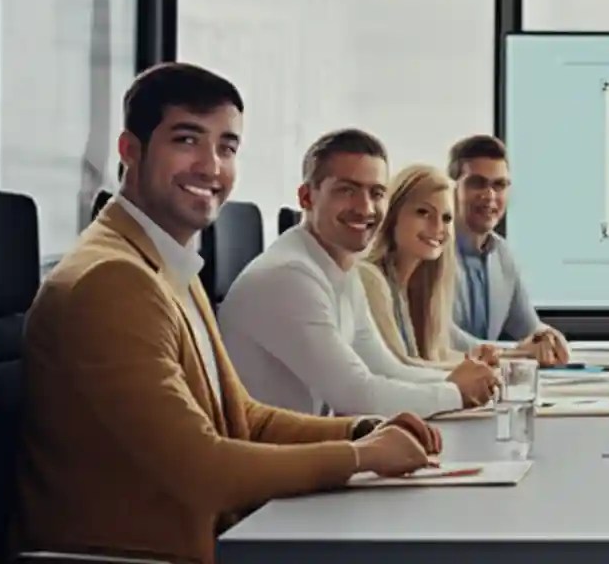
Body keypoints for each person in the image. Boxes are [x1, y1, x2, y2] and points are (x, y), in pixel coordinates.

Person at [15, 64, 440, 564]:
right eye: (187, 140)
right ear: (130, 150)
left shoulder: (167, 263)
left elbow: (245, 419)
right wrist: (360, 457)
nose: (210, 166)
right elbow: (203, 470)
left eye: (227, 147)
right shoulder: (111, 280)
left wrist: (359, 429)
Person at [220, 129, 499, 420]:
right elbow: (358, 397)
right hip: (277, 459)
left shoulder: (343, 269)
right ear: (306, 197)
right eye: (346, 190)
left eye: (376, 193)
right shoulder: (288, 276)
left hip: (312, 449)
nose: (365, 207)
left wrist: (466, 382)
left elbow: (385, 369)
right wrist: (456, 392)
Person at [358, 163, 500, 367]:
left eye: (447, 218)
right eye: (423, 212)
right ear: (392, 215)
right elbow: (399, 367)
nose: (438, 227)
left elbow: (437, 357)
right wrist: (475, 368)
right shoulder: (369, 278)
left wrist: (484, 361)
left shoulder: (423, 288)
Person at [448, 135, 570, 365]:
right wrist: (513, 352)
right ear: (452, 188)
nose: (490, 196)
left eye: (499, 185)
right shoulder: (431, 250)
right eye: (477, 183)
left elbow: (528, 328)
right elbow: (439, 337)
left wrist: (547, 338)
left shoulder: (502, 253)